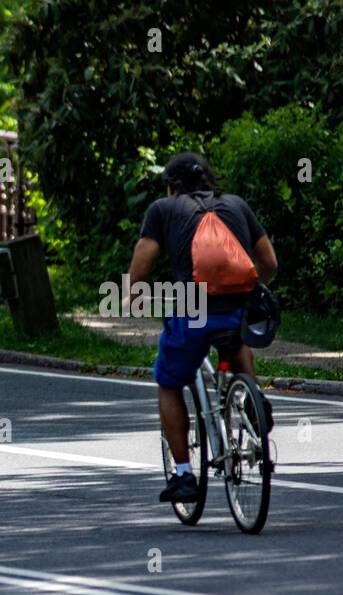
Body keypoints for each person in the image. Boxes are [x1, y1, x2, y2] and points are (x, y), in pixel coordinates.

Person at [127, 152, 278, 504]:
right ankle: (254, 401)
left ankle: (183, 475)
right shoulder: (237, 205)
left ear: (171, 185)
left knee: (168, 383)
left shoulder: (163, 210)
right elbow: (268, 262)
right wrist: (254, 291)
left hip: (192, 312)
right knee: (237, 342)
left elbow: (140, 270)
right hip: (236, 309)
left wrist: (137, 295)